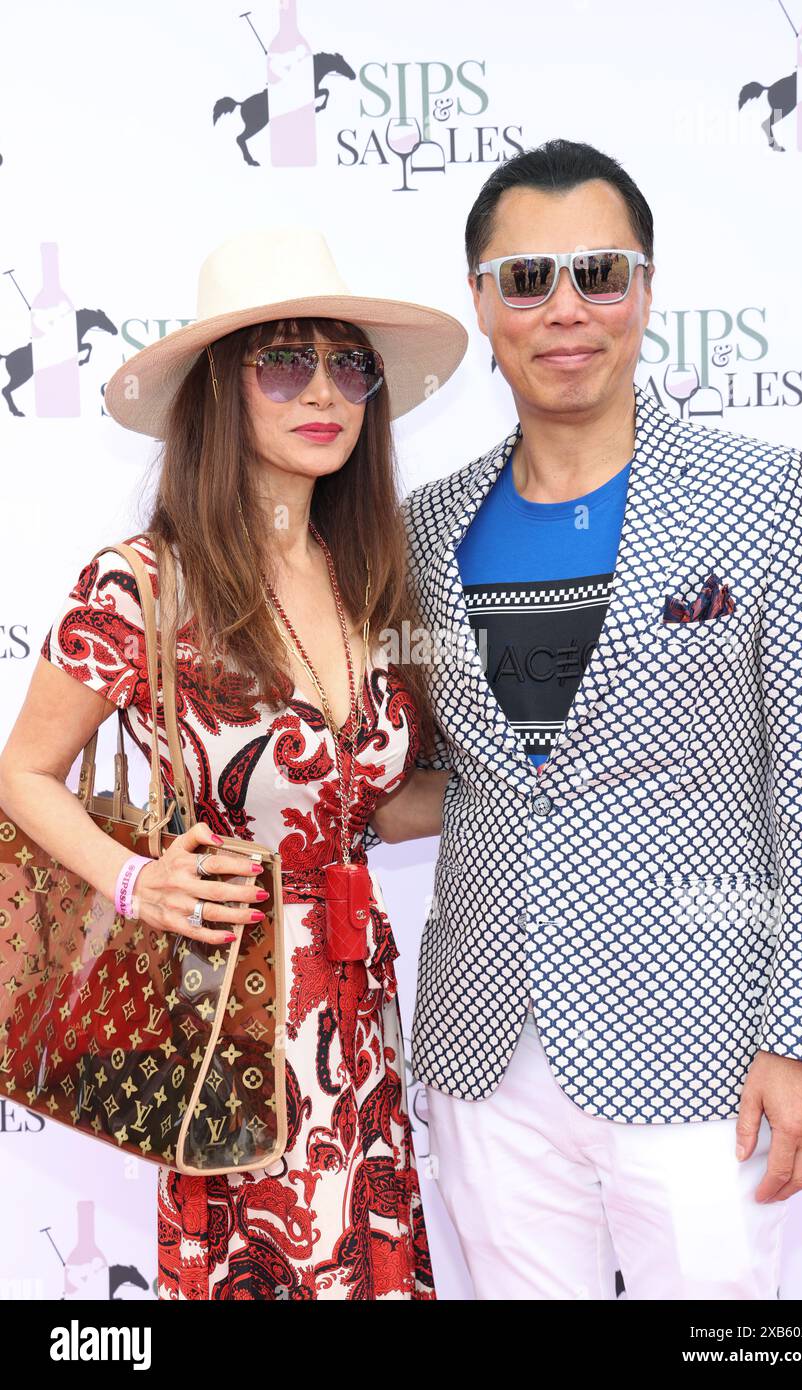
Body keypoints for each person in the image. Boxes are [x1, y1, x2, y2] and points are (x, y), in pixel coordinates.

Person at [371, 139, 802, 1299]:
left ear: (646, 290)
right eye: (526, 278)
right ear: (482, 304)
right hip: (484, 1044)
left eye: (600, 271)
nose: (566, 309)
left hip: (710, 1044)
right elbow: (417, 772)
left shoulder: (766, 493)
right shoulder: (425, 528)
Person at [0, 225, 464, 1300]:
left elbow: (373, 807)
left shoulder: (373, 579)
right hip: (231, 1008)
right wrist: (135, 878)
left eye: (348, 364)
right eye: (284, 362)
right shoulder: (142, 587)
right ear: (222, 389)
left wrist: (545, 787)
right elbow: (21, 773)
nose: (326, 391)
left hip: (358, 1014)